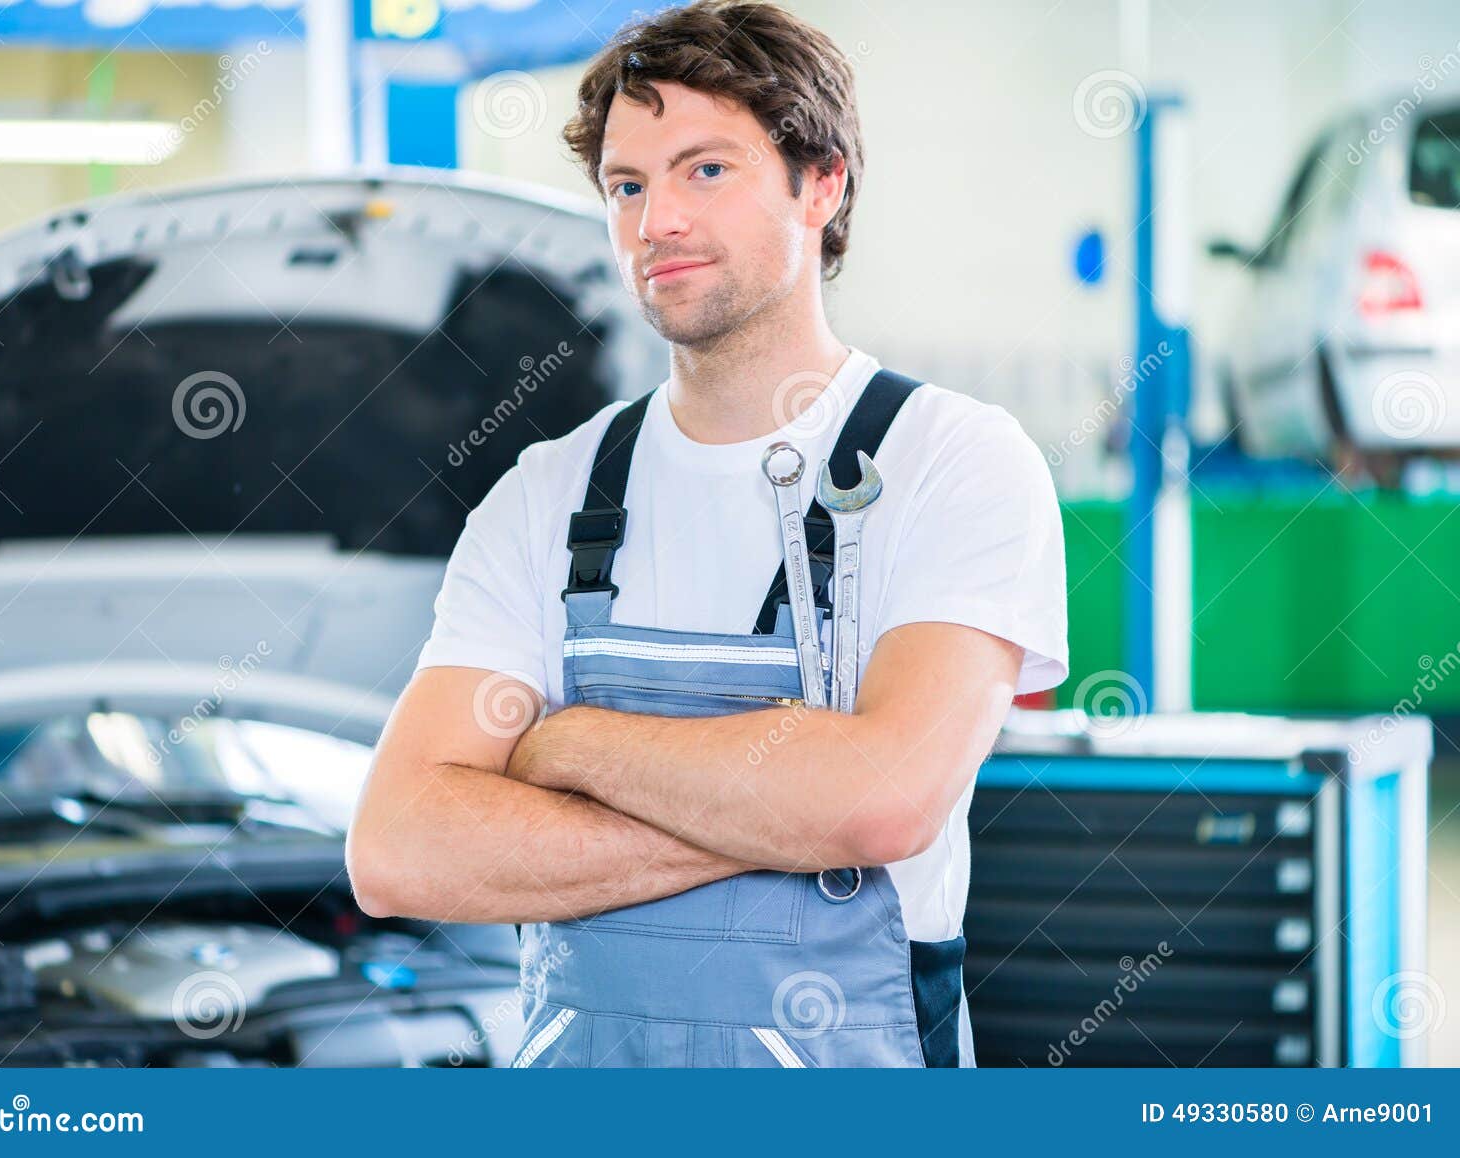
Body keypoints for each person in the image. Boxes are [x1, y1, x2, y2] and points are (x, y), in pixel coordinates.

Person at [347, 0, 1068, 1068]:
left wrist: (566, 747)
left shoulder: (952, 459)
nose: (657, 222)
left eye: (707, 171)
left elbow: (879, 802)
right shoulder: (547, 493)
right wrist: (776, 814)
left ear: (820, 183)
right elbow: (400, 848)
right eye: (627, 187)